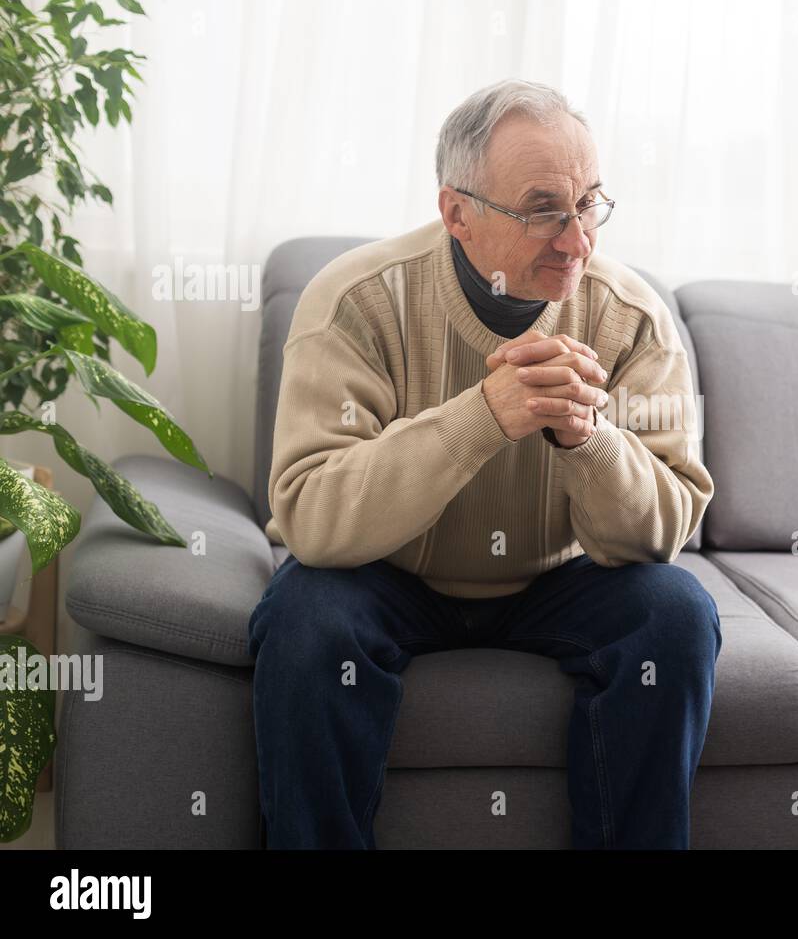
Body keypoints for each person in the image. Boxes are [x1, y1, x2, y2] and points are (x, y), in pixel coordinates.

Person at [248, 79, 719, 849]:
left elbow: (665, 530)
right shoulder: (354, 301)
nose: (576, 240)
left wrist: (585, 437)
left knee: (675, 612)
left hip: (559, 582)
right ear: (456, 213)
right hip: (389, 575)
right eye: (542, 210)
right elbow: (309, 516)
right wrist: (482, 417)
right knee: (304, 618)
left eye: (590, 204)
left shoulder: (631, 320)